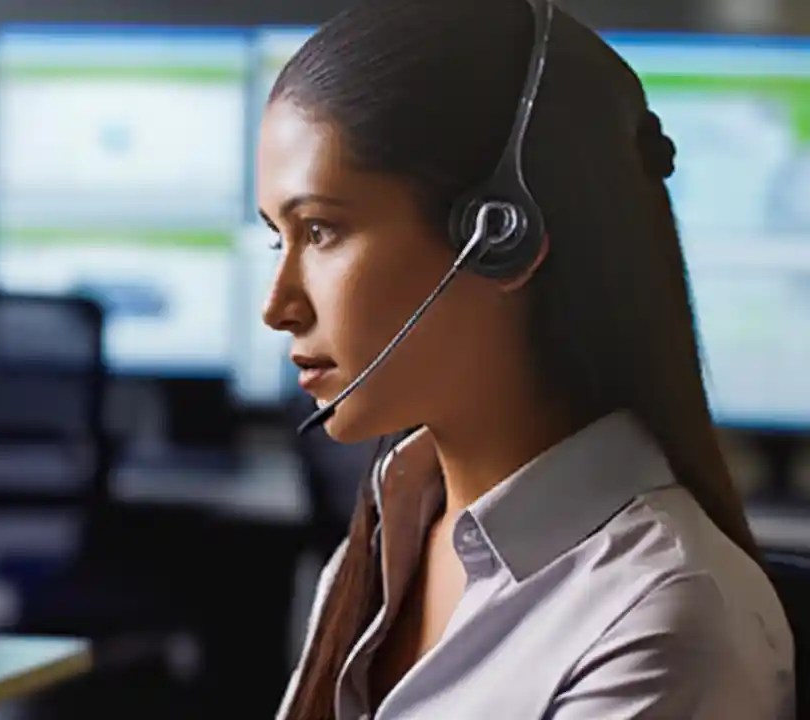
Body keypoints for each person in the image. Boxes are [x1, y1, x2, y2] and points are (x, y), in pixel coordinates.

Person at [257, 0, 796, 718]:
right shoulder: (392, 538)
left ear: (500, 235)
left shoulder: (658, 626)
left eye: (321, 231)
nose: (278, 304)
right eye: (277, 239)